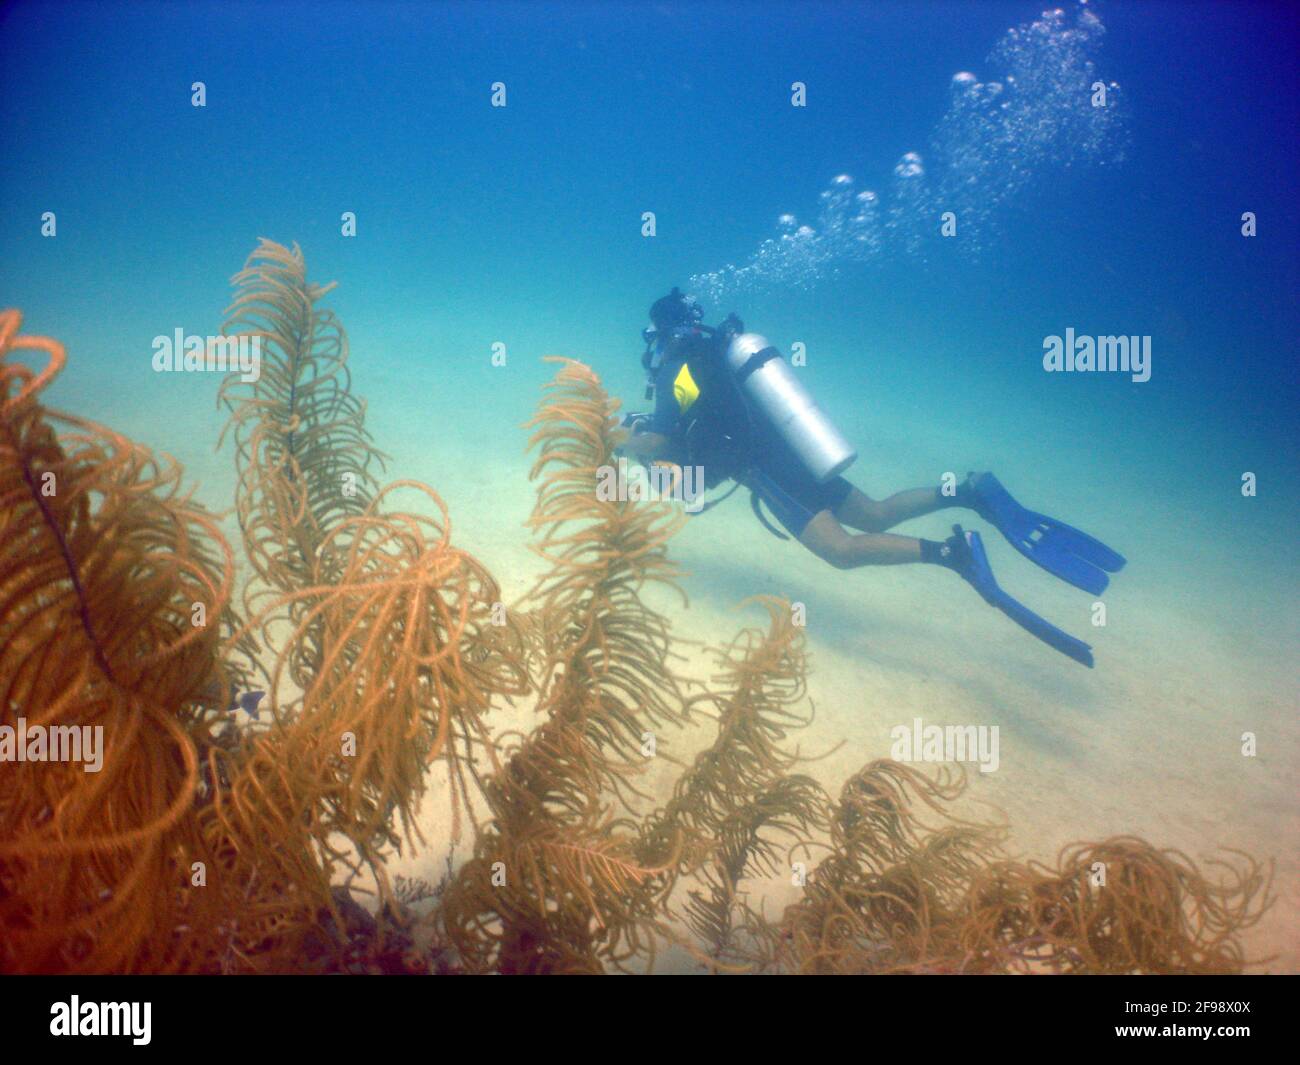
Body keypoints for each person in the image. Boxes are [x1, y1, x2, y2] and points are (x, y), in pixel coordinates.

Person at [619, 288, 1126, 667]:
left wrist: (619, 440)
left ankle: (953, 554)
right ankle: (968, 492)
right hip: (800, 452)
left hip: (769, 470)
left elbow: (663, 441)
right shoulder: (719, 353)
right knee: (875, 513)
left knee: (840, 550)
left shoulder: (677, 368)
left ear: (660, 334)